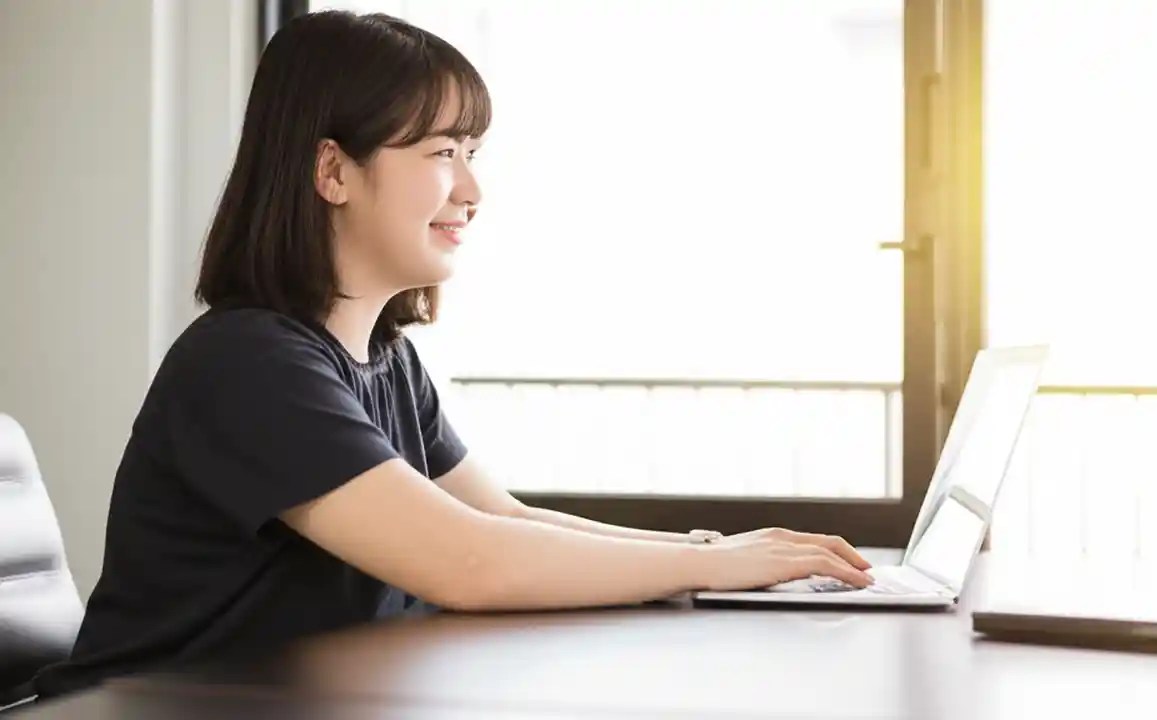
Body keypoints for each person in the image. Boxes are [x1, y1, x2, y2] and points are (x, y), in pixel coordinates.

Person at [32, 10, 872, 699]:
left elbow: (499, 521)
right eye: (442, 153)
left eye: (472, 155)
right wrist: (716, 566)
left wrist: (708, 557)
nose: (472, 189)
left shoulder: (384, 360)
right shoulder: (247, 362)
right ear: (333, 171)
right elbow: (468, 563)